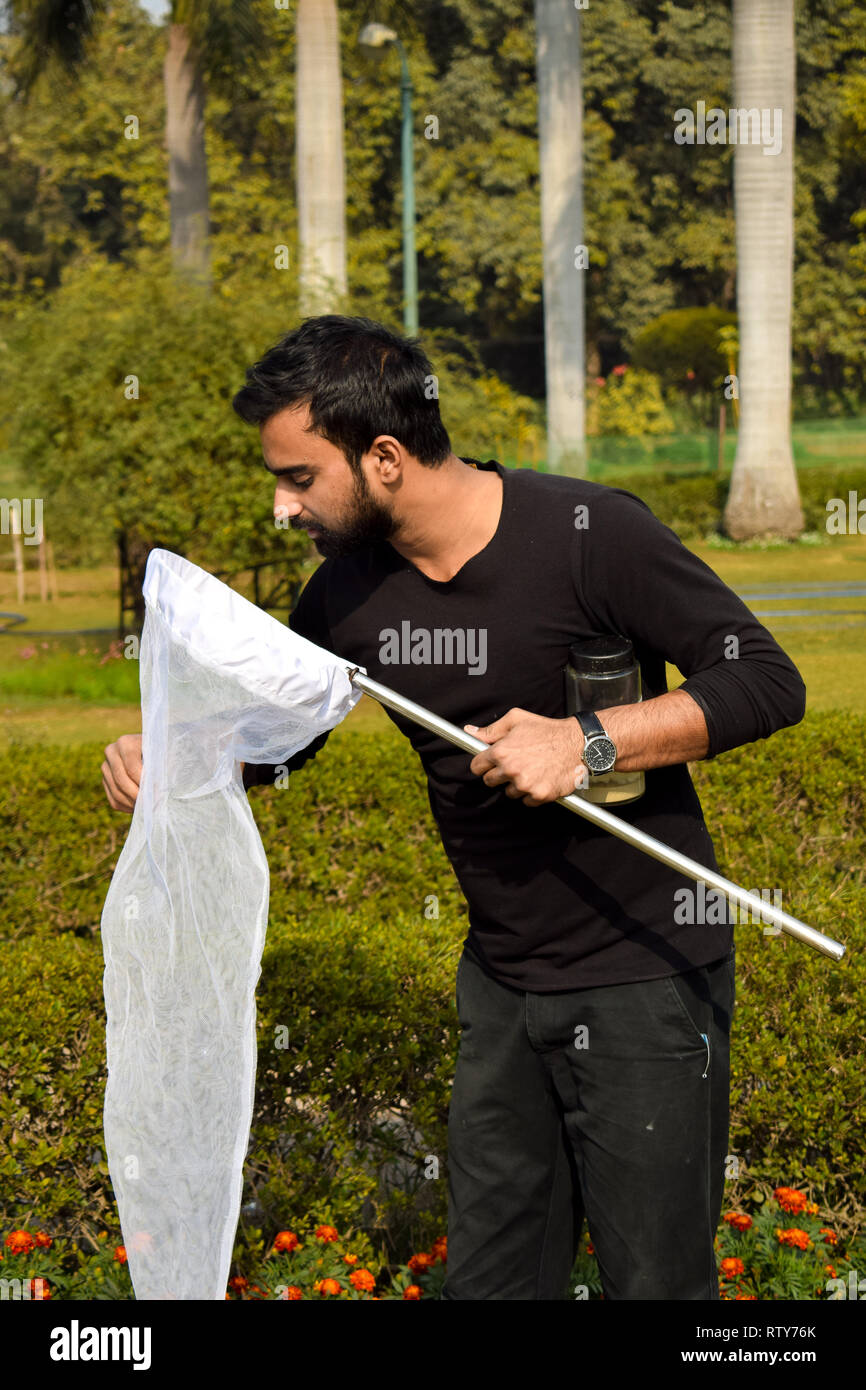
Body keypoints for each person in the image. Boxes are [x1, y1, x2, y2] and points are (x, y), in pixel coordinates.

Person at [102, 314, 806, 1301]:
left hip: (645, 976)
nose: (279, 507)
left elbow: (766, 679)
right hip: (501, 988)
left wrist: (587, 742)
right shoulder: (345, 596)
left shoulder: (588, 533)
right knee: (489, 1282)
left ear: (382, 457)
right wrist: (172, 757)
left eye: (297, 477)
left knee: (657, 1287)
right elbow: (275, 740)